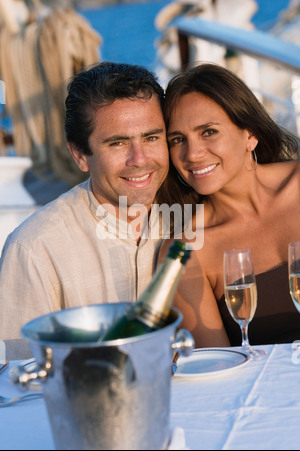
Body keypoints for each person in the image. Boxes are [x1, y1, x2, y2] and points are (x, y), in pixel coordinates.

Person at [0, 62, 169, 359]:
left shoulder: (193, 214)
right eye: (117, 143)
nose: (139, 159)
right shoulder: (33, 249)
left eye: (151, 137)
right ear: (80, 156)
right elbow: (22, 377)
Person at [159, 62, 300, 348]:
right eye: (177, 140)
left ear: (250, 134)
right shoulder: (187, 250)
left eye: (208, 131)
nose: (193, 154)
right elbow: (218, 371)